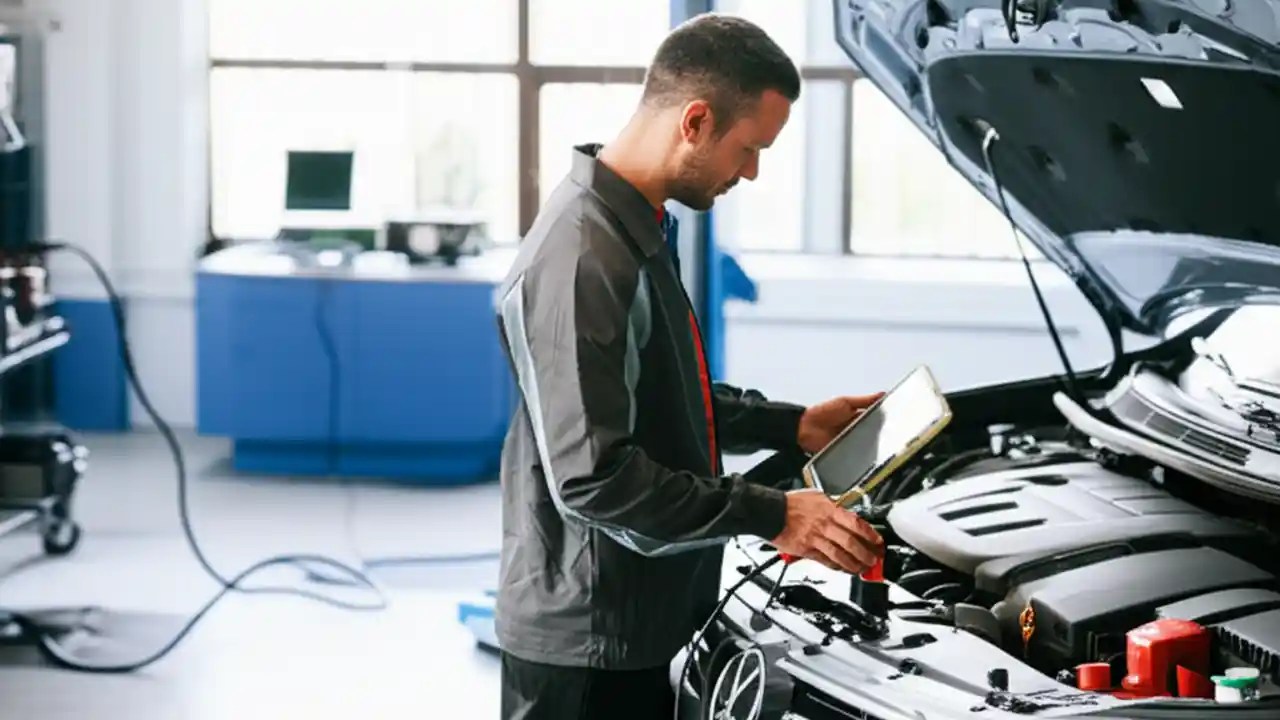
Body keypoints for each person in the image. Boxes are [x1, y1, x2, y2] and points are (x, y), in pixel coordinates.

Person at [493, 13, 885, 720]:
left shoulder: (635, 225)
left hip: (635, 617)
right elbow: (595, 480)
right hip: (587, 646)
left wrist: (792, 424)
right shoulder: (585, 258)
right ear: (697, 121)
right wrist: (772, 514)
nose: (752, 172)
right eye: (749, 148)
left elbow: (664, 387)